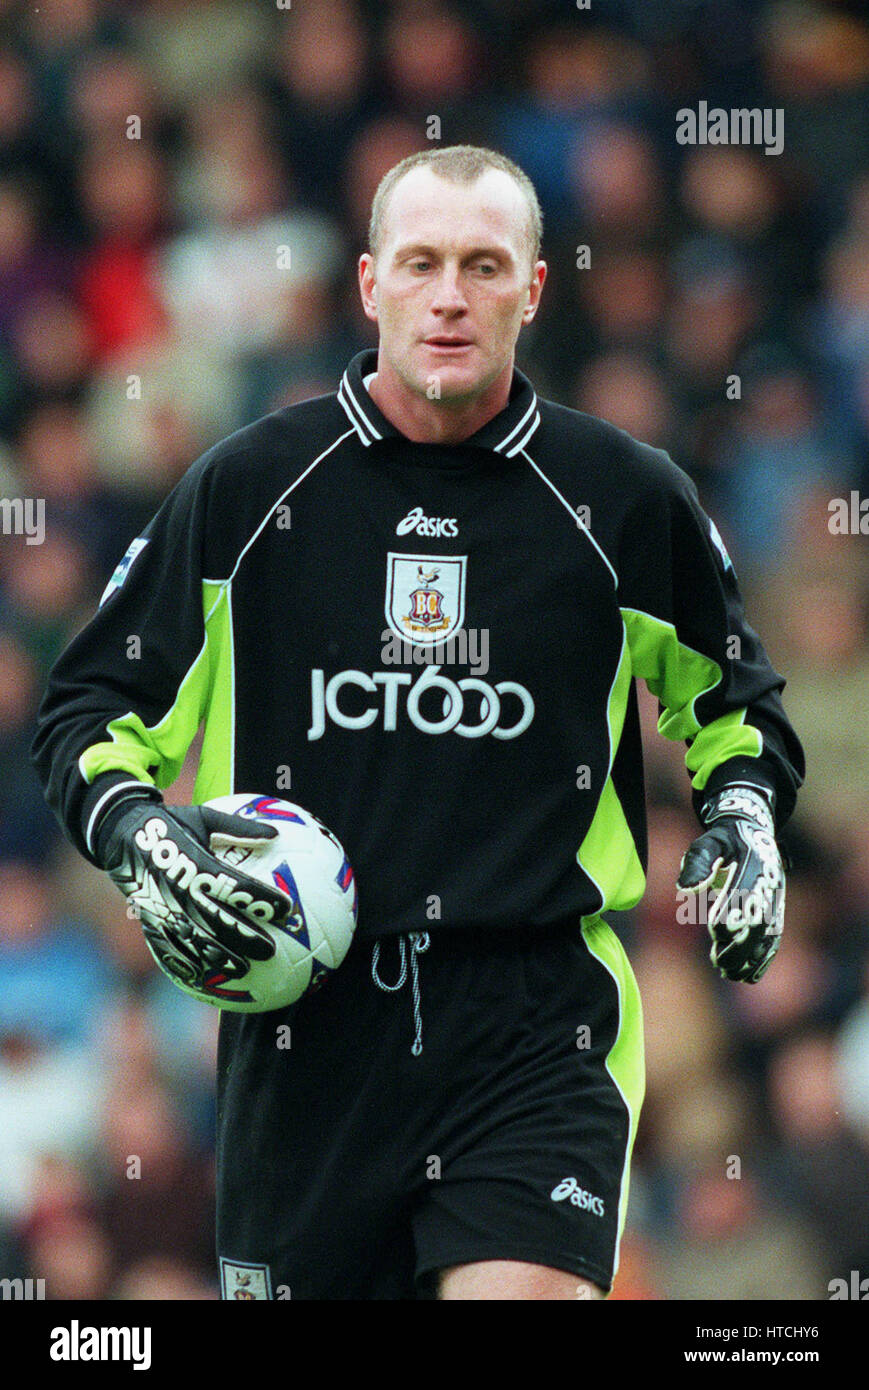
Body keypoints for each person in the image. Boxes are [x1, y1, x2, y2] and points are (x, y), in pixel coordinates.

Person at [32, 145, 804, 1301]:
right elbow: (91, 709)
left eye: (484, 266)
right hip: (302, 1033)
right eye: (423, 263)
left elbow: (734, 701)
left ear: (532, 290)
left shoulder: (626, 499)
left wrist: (743, 815)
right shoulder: (248, 490)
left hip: (534, 1026)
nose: (450, 296)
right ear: (369, 284)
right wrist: (137, 829)